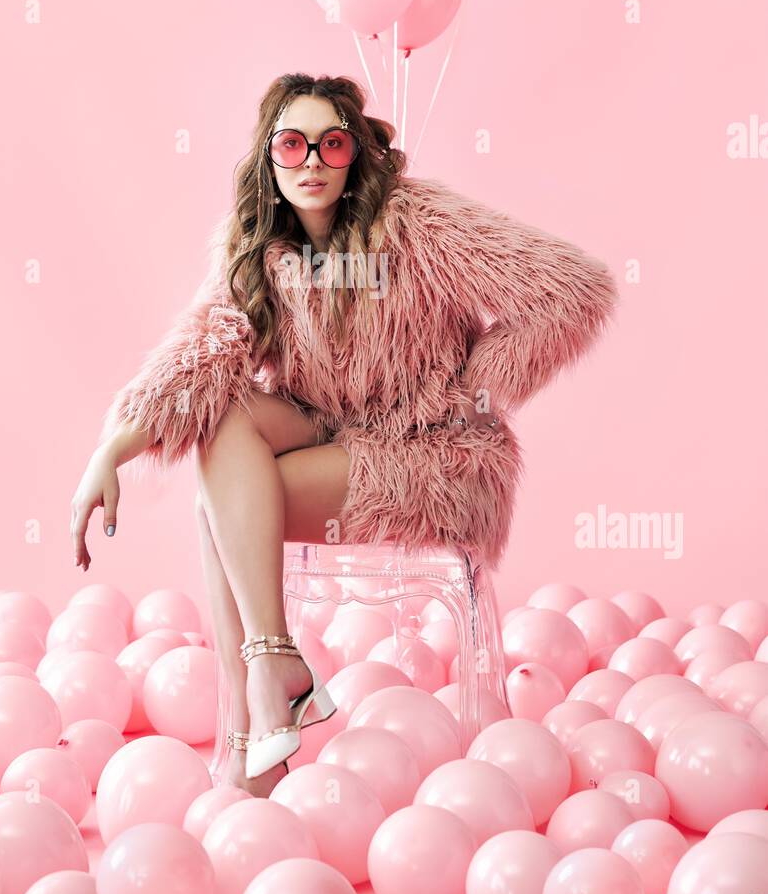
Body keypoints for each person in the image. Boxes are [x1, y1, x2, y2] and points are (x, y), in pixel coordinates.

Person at [70, 72, 619, 794]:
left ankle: (251, 735)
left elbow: (570, 287)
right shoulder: (257, 246)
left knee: (223, 507)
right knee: (222, 419)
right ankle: (272, 675)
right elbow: (200, 351)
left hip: (433, 453)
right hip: (328, 430)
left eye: (330, 145)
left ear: (354, 154)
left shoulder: (417, 223)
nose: (310, 163)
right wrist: (112, 448)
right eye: (291, 145)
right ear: (268, 159)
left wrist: (469, 396)